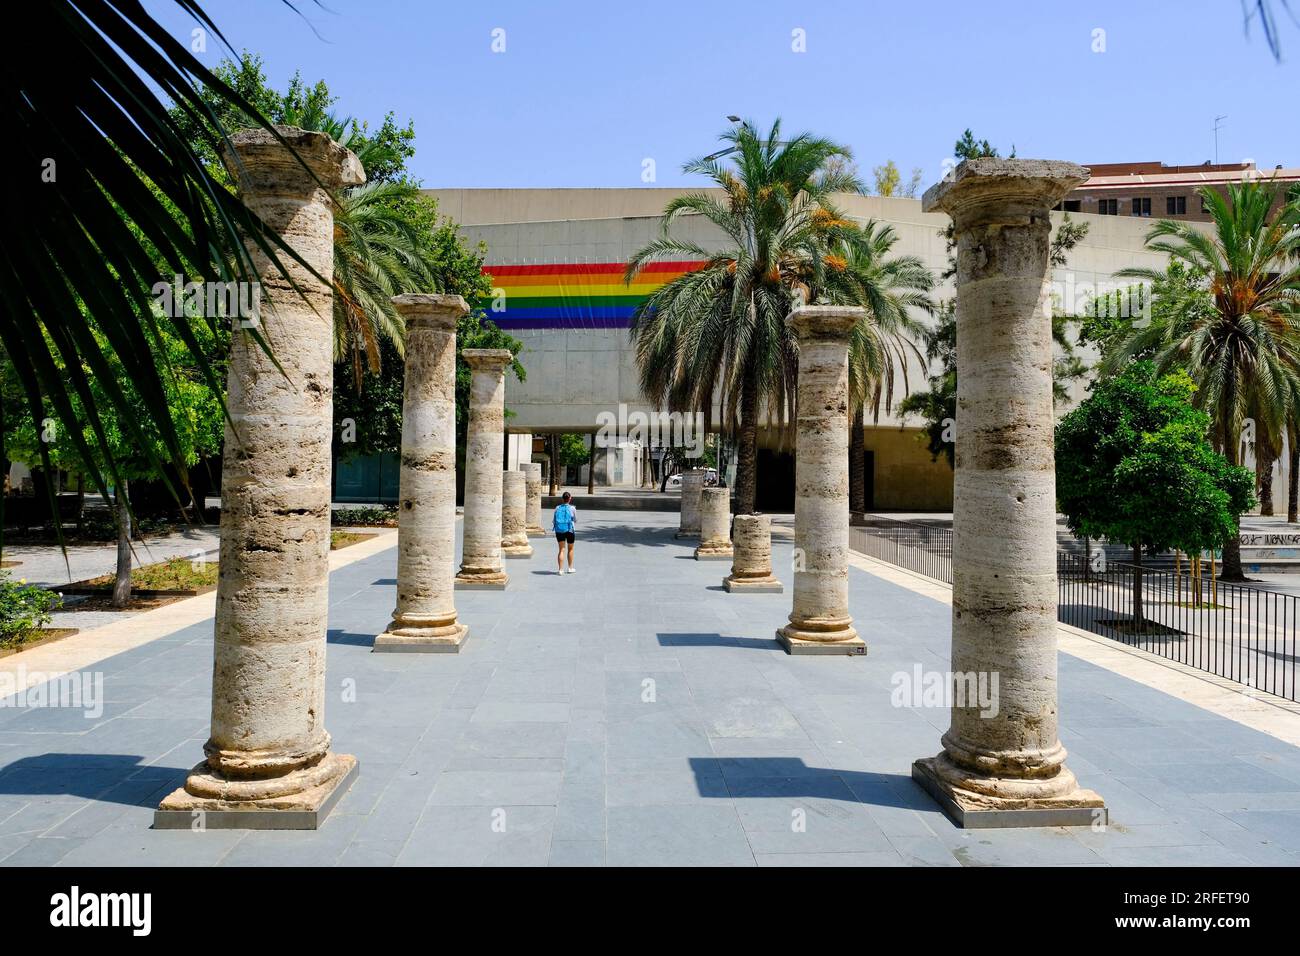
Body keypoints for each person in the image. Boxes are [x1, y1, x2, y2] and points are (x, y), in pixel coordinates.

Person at [552, 491, 577, 574]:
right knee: (570, 549)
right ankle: (570, 568)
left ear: (562, 499)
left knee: (561, 549)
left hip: (559, 530)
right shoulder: (572, 508)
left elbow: (554, 521)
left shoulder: (557, 508)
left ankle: (560, 570)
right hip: (570, 530)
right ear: (570, 498)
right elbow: (575, 520)